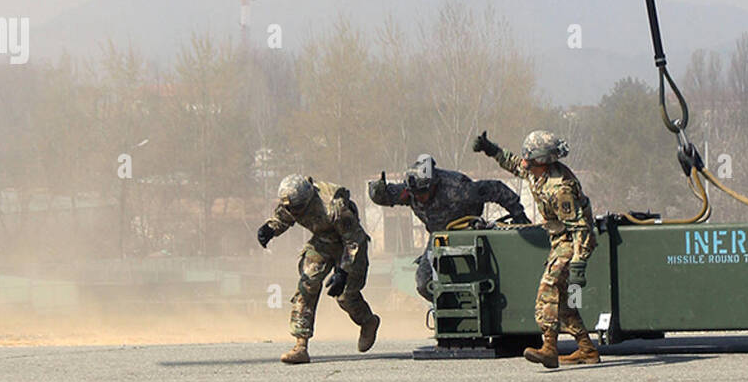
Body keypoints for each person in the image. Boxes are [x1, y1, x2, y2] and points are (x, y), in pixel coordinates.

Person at [472, 130, 599, 367]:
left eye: (529, 156)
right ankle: (586, 349)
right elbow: (512, 164)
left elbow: (580, 227)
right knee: (561, 302)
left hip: (573, 241)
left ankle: (549, 347)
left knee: (548, 288)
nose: (524, 160)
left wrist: (579, 263)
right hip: (559, 238)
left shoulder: (560, 187)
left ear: (541, 160)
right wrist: (491, 149)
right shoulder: (535, 173)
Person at [367, 153, 528, 302]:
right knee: (424, 284)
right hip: (439, 238)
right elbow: (387, 196)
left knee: (481, 276)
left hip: (467, 233)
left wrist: (519, 215)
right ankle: (451, 309)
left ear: (433, 185)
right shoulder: (411, 191)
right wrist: (376, 191)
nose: (419, 198)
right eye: (415, 194)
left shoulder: (457, 188)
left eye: (423, 194)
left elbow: (496, 189)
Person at [256, 173, 380, 364]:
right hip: (324, 241)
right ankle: (300, 346)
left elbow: (353, 240)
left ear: (307, 200)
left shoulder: (333, 206)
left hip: (350, 244)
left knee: (345, 296)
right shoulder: (293, 202)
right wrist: (270, 229)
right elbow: (283, 217)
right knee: (307, 284)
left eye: (297, 208)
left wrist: (343, 271)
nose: (294, 212)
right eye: (290, 208)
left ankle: (367, 321)